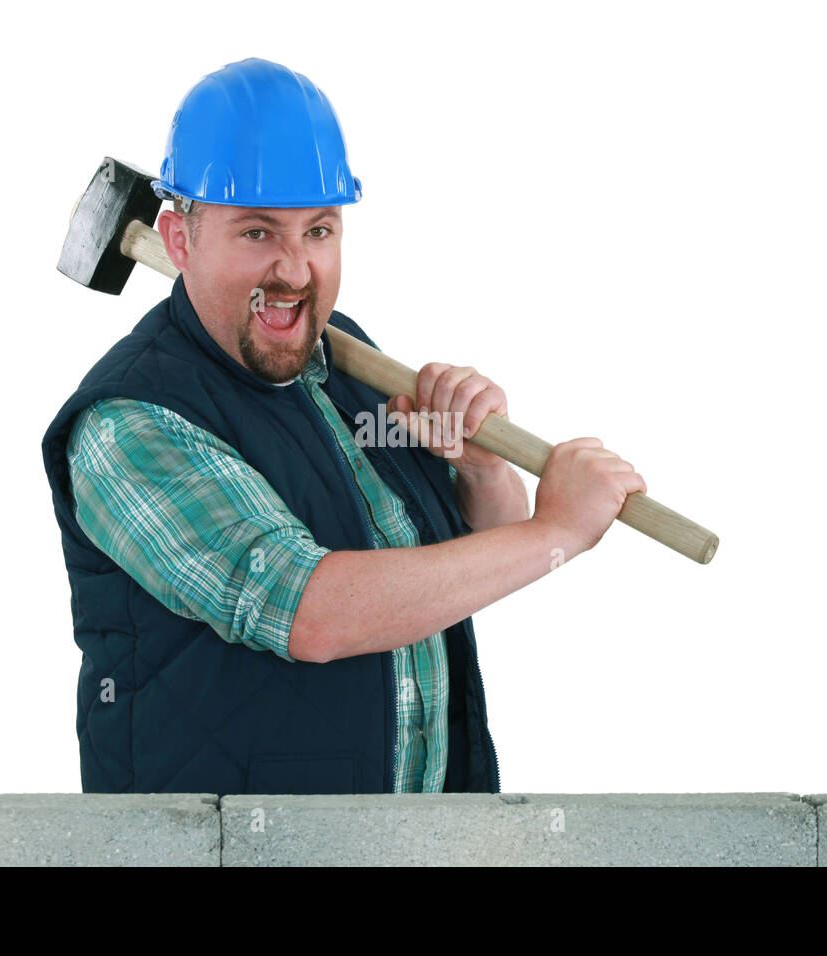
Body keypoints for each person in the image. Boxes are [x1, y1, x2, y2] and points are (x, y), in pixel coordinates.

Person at [40, 58, 646, 795]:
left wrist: (482, 468)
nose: (295, 271)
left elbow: (454, 567)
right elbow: (309, 612)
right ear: (179, 240)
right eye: (257, 232)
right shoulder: (132, 423)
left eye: (319, 230)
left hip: (412, 840)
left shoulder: (342, 360)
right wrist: (557, 535)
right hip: (233, 849)